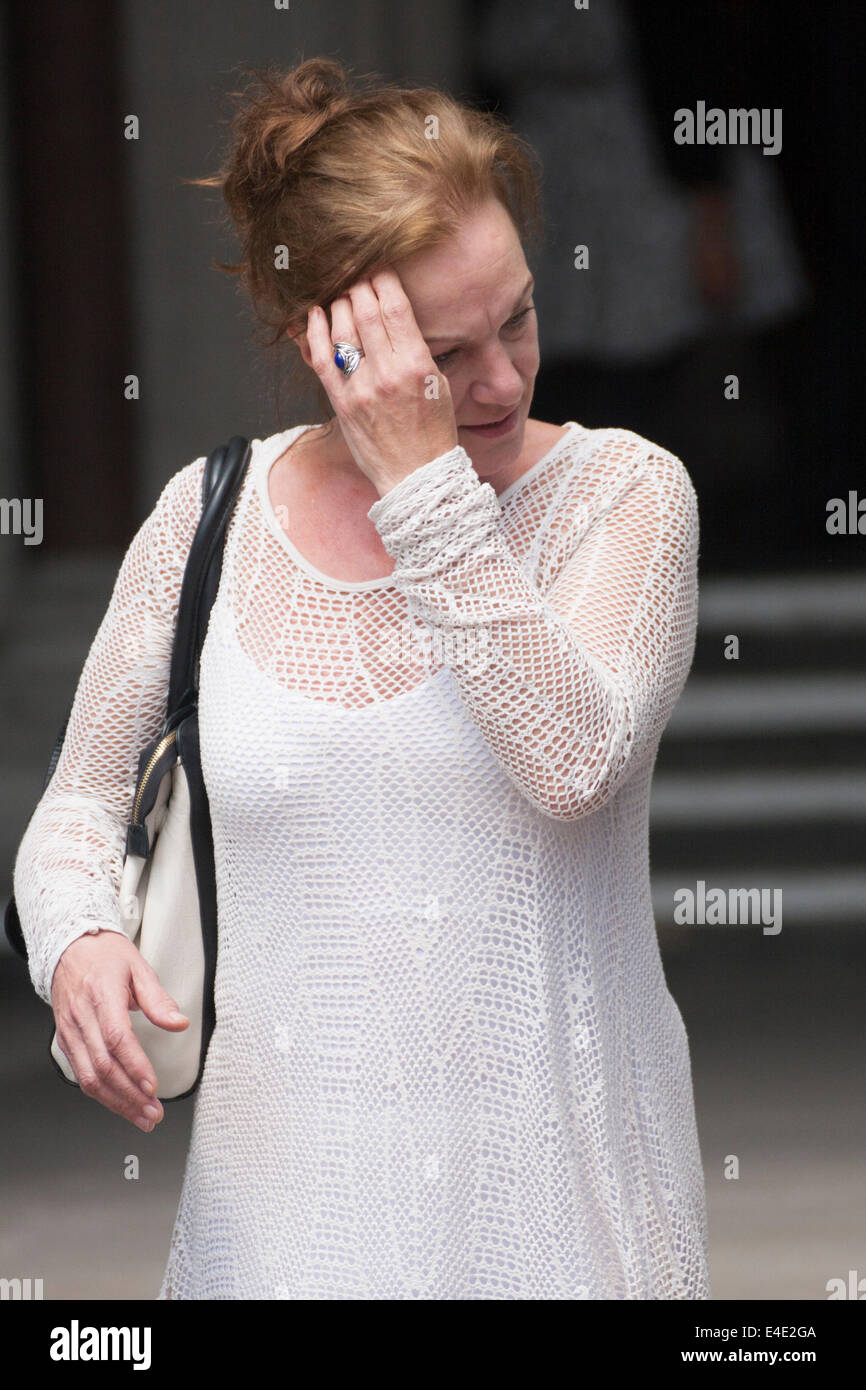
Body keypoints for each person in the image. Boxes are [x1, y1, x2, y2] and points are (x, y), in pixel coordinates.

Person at [14, 57, 710, 1300]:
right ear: (317, 336)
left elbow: (571, 761)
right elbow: (76, 805)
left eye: (519, 318)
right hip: (279, 1235)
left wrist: (422, 482)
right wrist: (75, 943)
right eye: (444, 352)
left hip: (555, 1230)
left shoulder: (626, 497)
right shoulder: (208, 515)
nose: (499, 379)